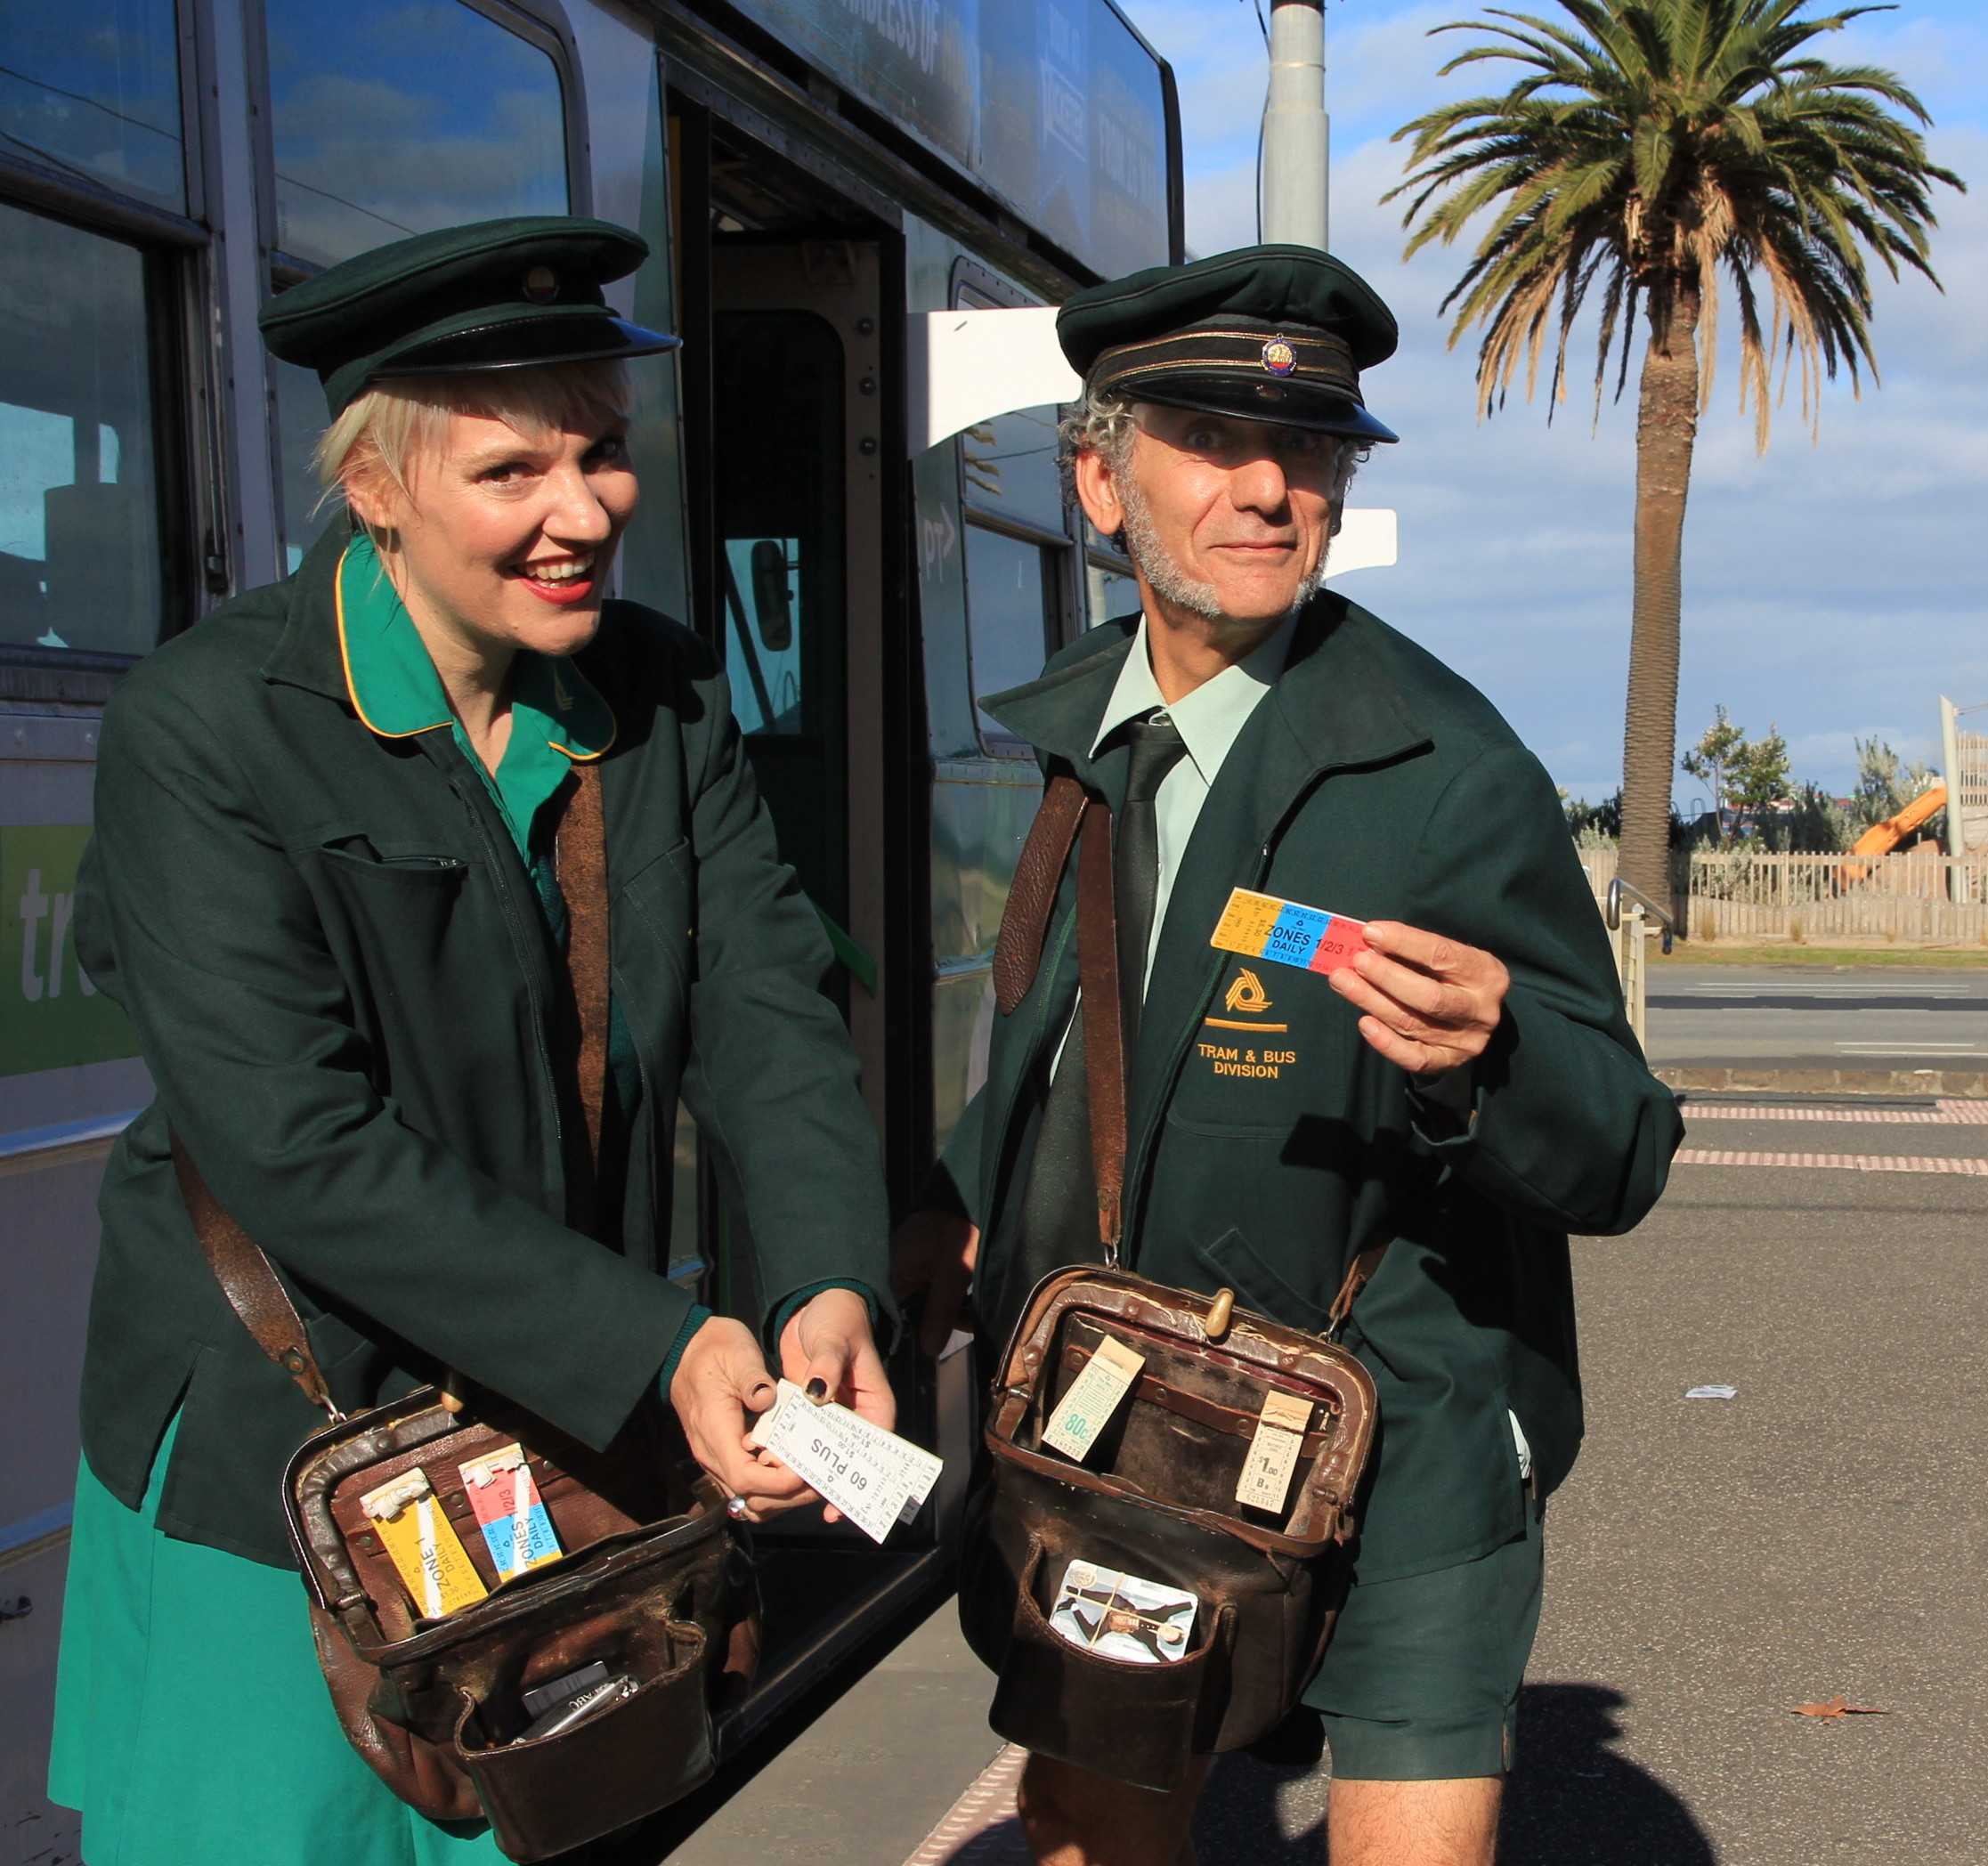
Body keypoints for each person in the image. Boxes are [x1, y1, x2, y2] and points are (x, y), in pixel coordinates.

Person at [47, 215, 895, 1866]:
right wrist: (658, 1344)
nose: (583, 515)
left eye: (602, 455)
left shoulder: (658, 695)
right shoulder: (206, 731)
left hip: (549, 1450)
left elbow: (766, 1009)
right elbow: (295, 1141)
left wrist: (821, 1282)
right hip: (281, 1465)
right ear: (375, 489)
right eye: (514, 474)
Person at [892, 244, 1682, 1866]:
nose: (1269, 488)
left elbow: (1621, 1151)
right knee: (1098, 1836)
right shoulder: (1075, 749)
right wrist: (916, 1237)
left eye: (1309, 450)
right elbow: (1054, 1066)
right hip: (1124, 1445)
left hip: (1404, 1439)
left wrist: (1492, 1055)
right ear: (1101, 482)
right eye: (1213, 442)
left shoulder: (1445, 770)